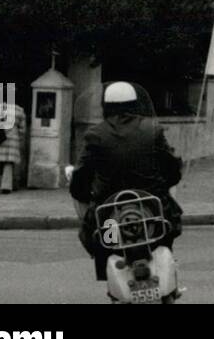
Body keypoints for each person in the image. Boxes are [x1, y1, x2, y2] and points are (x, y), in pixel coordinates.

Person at [70, 82, 183, 281]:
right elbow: (172, 168)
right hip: (151, 212)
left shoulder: (96, 134)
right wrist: (167, 180)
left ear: (106, 106)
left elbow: (81, 177)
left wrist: (83, 194)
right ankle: (167, 273)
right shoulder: (152, 129)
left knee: (103, 239)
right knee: (166, 231)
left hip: (111, 217)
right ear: (134, 104)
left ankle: (107, 273)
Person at [0, 102, 27, 194]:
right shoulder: (19, 110)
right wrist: (19, 138)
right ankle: (6, 187)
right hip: (12, 139)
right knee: (8, 163)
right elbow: (22, 129)